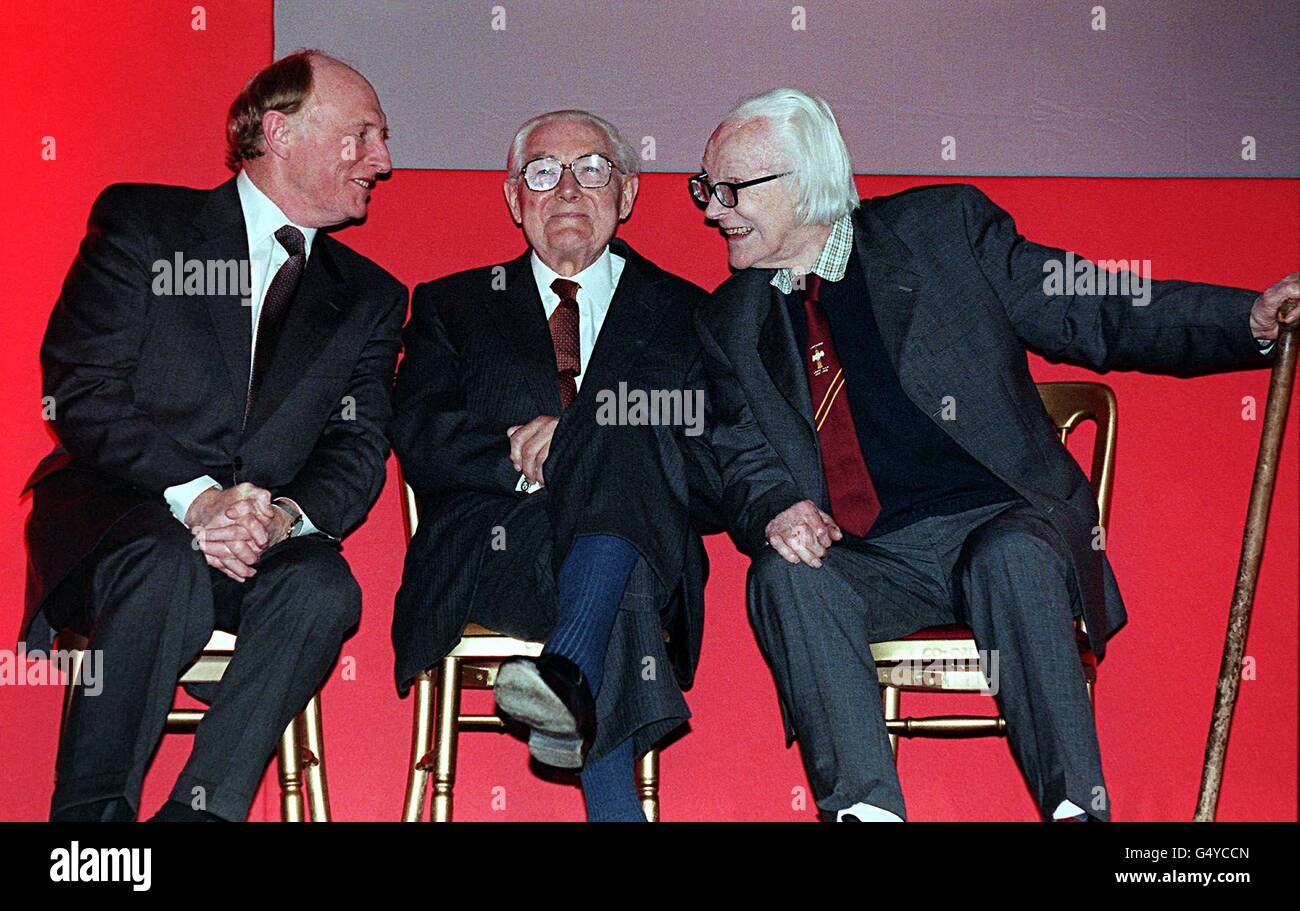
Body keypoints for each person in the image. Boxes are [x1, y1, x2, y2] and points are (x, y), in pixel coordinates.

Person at [692, 87, 1299, 822]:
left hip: (998, 525)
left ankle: (1078, 808)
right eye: (705, 188)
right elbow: (738, 449)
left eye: (728, 189)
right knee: (784, 575)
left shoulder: (940, 231)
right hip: (873, 562)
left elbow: (1090, 306)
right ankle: (863, 810)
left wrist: (1244, 319)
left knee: (1009, 557)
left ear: (804, 182)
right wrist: (775, 507)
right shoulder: (733, 318)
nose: (711, 209)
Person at [21, 50, 407, 821]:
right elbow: (80, 388)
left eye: (382, 140)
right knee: (164, 563)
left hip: (256, 545)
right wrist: (199, 501)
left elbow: (357, 450)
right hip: (118, 521)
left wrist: (279, 517)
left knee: (324, 586)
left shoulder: (369, 297)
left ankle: (199, 816)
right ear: (280, 131)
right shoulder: (143, 222)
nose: (383, 162)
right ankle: (89, 836)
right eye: (361, 135)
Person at [391, 109, 720, 821]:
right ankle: (573, 682)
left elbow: (713, 462)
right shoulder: (453, 304)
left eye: (592, 169)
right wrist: (524, 454)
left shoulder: (688, 313)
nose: (568, 188)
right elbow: (420, 430)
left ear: (627, 193)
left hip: (643, 545)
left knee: (621, 430)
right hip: (496, 547)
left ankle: (567, 671)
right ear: (515, 198)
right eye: (544, 171)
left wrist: (578, 437)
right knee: (619, 551)